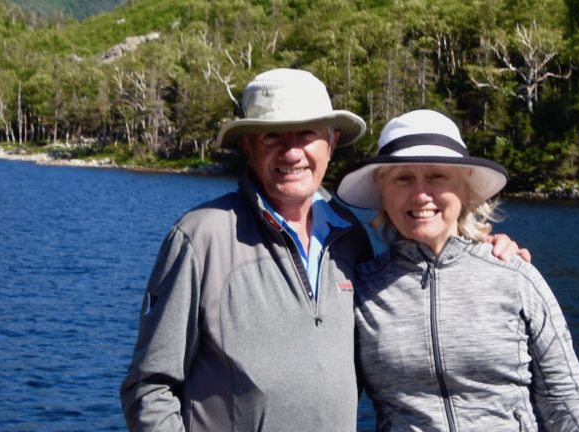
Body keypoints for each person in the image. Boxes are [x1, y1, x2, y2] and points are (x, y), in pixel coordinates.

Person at [121, 69, 527, 432]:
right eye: (272, 135)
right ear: (248, 147)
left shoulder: (349, 237)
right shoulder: (201, 236)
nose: (291, 151)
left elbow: (417, 287)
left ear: (331, 142)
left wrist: (478, 250)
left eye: (307, 134)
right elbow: (149, 387)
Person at [338, 108, 579, 432]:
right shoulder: (361, 288)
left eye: (437, 176)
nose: (421, 194)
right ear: (382, 192)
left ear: (465, 189)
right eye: (403, 178)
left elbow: (566, 399)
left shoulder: (514, 276)